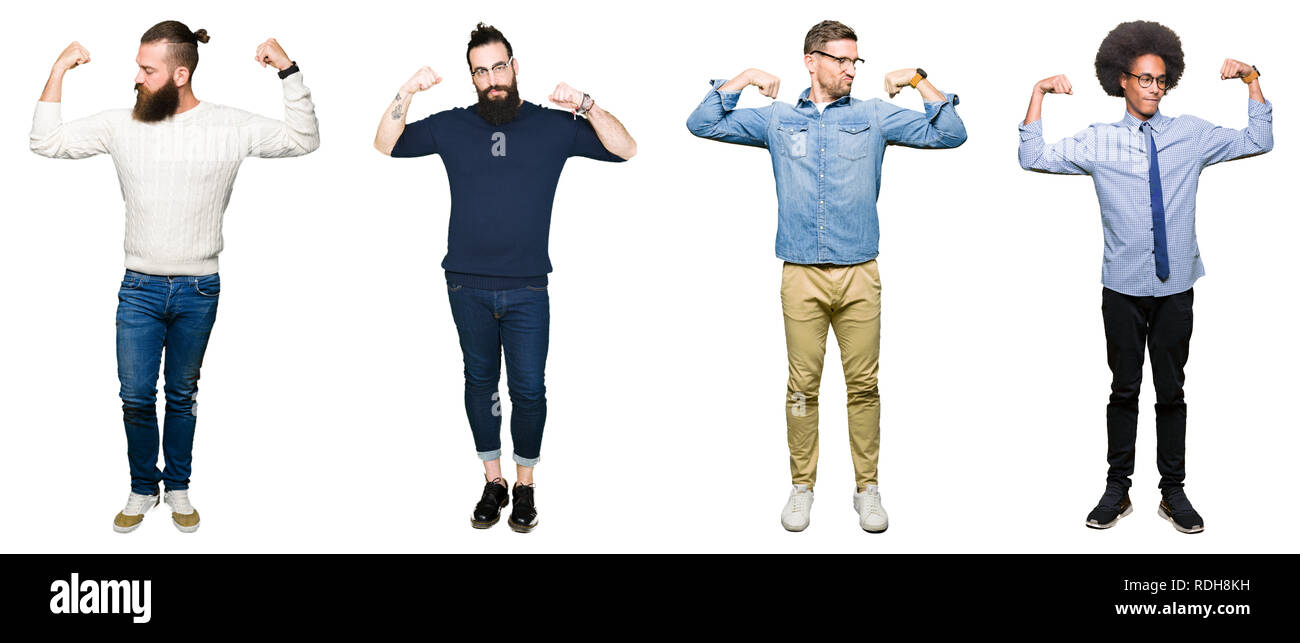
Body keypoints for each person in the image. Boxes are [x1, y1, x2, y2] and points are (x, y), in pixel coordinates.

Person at [29, 20, 320, 533]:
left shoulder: (229, 125)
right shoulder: (122, 124)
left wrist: (288, 71)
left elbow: (303, 139)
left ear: (180, 74)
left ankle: (179, 488)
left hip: (199, 288)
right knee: (137, 395)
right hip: (138, 289)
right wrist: (57, 71)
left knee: (182, 395)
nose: (137, 78)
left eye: (147, 69)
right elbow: (45, 141)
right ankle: (143, 489)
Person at [686, 20, 966, 533]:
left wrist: (918, 78)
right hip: (800, 276)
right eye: (840, 59)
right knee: (801, 387)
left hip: (860, 274)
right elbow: (701, 122)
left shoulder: (874, 115)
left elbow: (950, 133)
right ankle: (801, 487)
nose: (850, 70)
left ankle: (868, 488)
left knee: (863, 387)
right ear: (811, 61)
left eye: (855, 61)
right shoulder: (777, 119)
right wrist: (744, 75)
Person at [373, 22, 635, 533]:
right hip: (465, 284)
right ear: (472, 78)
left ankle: (525, 485)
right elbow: (385, 143)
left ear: (514, 68)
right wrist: (406, 91)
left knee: (530, 389)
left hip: (528, 287)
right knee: (479, 382)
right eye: (480, 71)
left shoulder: (554, 126)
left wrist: (585, 103)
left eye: (498, 66)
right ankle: (492, 480)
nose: (491, 78)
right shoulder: (452, 124)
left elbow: (626, 148)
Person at [1017, 20, 1272, 534]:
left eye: (1161, 79)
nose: (1153, 87)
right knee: (1124, 391)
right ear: (1122, 80)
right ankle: (1118, 489)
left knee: (1172, 391)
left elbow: (1259, 138)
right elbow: (1032, 156)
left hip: (1176, 288)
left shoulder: (1191, 134)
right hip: (1123, 291)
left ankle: (1173, 492)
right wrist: (1038, 92)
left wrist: (1252, 78)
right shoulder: (1098, 142)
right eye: (1144, 78)